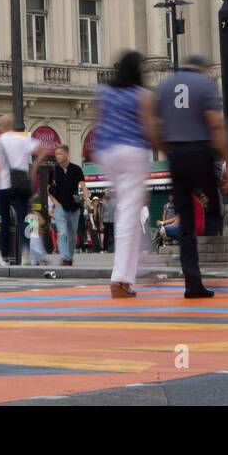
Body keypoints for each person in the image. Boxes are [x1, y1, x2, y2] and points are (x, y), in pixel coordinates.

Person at [154, 54, 228, 298]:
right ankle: (214, 226)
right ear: (202, 69)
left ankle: (192, 282)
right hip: (200, 151)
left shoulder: (166, 85)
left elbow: (155, 124)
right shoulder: (204, 84)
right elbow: (216, 124)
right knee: (214, 202)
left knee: (186, 223)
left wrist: (167, 148)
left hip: (176, 155)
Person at [94, 50, 162, 298]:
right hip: (132, 151)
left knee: (129, 214)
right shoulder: (142, 95)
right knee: (129, 216)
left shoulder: (104, 92)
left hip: (106, 152)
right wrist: (161, 149)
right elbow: (149, 128)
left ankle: (129, 276)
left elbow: (98, 122)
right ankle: (120, 278)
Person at [0, 115, 51, 266]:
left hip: (3, 186)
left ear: (1, 127)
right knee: (23, 219)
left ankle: (5, 255)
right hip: (22, 184)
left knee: (5, 221)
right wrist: (34, 168)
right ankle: (26, 251)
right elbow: (43, 151)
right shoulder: (23, 139)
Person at [47, 145, 86, 266]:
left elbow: (83, 186)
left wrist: (85, 198)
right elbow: (49, 190)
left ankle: (69, 257)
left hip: (74, 207)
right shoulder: (53, 170)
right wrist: (56, 204)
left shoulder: (76, 169)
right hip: (60, 207)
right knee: (62, 233)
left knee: (72, 235)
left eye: (60, 153)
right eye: (56, 154)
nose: (57, 156)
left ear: (66, 154)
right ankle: (64, 257)